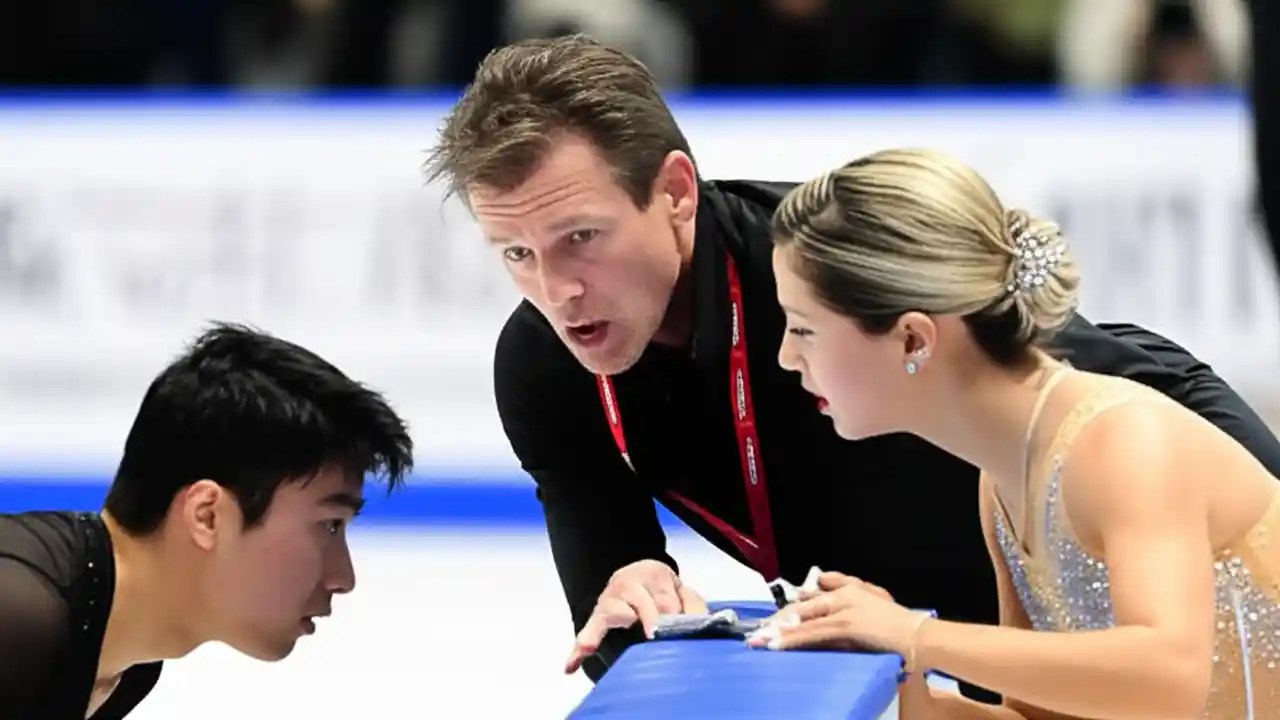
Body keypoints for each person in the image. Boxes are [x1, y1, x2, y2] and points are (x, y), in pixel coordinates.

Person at [422, 33, 1280, 700]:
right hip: (975, 646)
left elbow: (1094, 390)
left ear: (675, 192)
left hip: (1123, 617)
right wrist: (637, 601)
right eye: (515, 254)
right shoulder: (542, 366)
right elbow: (618, 629)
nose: (557, 291)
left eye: (581, 237)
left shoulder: (818, 264)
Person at [746, 147, 1279, 718]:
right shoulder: (1002, 480)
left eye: (803, 328)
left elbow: (1171, 679)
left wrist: (916, 636)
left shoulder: (1123, 441)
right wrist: (898, 672)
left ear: (913, 339)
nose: (786, 357)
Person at [0, 322, 414, 719]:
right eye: (330, 525)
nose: (343, 578)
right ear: (207, 516)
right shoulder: (21, 617)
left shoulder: (127, 662)